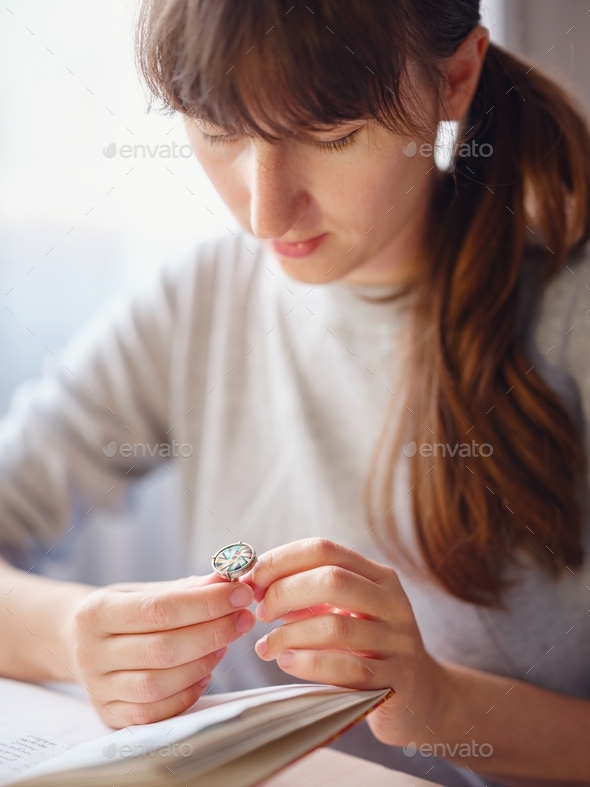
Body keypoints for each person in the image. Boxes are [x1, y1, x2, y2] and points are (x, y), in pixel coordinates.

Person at [1, 1, 589, 785]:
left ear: (456, 81)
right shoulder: (200, 299)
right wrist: (69, 632)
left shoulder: (570, 320)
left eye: (332, 135)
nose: (263, 211)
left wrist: (442, 703)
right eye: (218, 129)